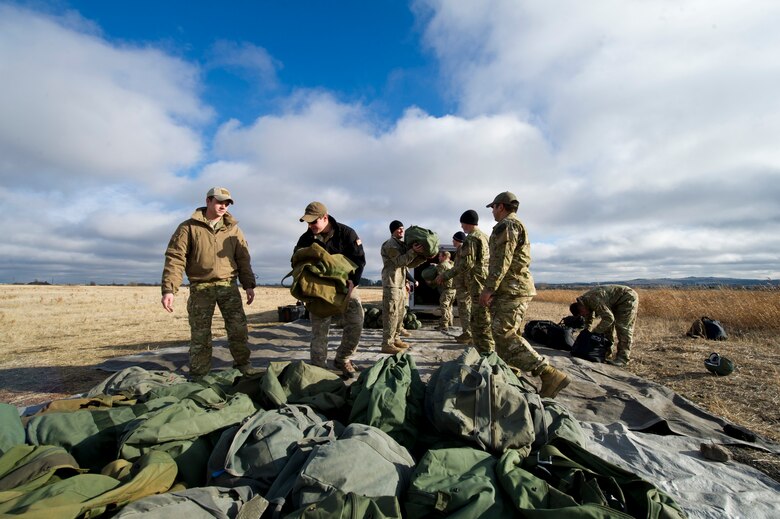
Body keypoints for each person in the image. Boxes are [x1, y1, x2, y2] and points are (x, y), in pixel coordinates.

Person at [479, 191, 570, 398]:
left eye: (493, 207)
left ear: (501, 206)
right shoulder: (514, 225)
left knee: (503, 333)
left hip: (512, 289)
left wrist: (489, 289)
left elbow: (502, 260)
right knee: (510, 333)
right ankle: (510, 373)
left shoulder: (507, 225)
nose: (492, 212)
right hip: (513, 288)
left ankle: (548, 373)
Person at [161, 187, 257, 380]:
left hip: (228, 286)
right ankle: (199, 375)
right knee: (200, 334)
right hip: (201, 287)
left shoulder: (233, 229)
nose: (224, 206)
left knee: (238, 330)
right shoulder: (188, 228)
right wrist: (169, 289)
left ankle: (243, 367)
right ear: (208, 201)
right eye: (220, 202)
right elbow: (176, 258)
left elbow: (243, 259)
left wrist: (248, 285)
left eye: (227, 203)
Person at [294, 202, 366, 378]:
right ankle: (319, 369)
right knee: (319, 330)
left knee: (356, 322)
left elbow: (359, 260)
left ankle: (343, 358)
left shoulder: (347, 234)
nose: (310, 226)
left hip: (345, 286)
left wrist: (353, 282)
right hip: (319, 290)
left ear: (325, 218)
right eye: (308, 222)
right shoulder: (306, 239)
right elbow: (296, 261)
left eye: (313, 222)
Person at [438, 210, 495, 353]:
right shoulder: (485, 237)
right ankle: (483, 344)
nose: (462, 227)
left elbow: (466, 264)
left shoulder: (472, 238)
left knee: (479, 316)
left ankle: (484, 349)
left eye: (462, 223)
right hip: (484, 280)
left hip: (475, 281)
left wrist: (445, 275)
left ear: (467, 223)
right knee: (484, 314)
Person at [380, 220, 426, 353]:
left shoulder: (401, 245)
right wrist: (412, 251)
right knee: (391, 314)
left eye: (402, 228)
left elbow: (408, 264)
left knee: (399, 314)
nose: (401, 230)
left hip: (400, 284)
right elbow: (399, 261)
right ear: (393, 230)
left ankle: (395, 339)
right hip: (391, 284)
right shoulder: (390, 245)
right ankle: (387, 343)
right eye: (398, 228)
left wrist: (422, 257)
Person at [570, 285, 639, 367]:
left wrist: (595, 333)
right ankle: (607, 353)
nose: (584, 315)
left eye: (582, 314)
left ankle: (622, 359)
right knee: (607, 328)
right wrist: (586, 334)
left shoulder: (592, 300)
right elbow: (588, 320)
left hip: (627, 297)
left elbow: (609, 318)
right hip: (615, 301)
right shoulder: (585, 304)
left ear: (581, 308)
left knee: (623, 327)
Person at [451, 231, 472, 342]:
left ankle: (468, 334)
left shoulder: (463, 250)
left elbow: (464, 268)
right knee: (464, 309)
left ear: (458, 240)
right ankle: (467, 333)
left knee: (465, 310)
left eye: (454, 240)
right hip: (462, 285)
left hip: (464, 286)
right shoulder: (460, 250)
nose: (452, 242)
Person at [434, 250, 456, 331]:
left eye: (440, 256)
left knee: (443, 306)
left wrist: (431, 282)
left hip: (447, 289)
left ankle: (444, 324)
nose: (438, 258)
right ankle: (450, 322)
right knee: (449, 306)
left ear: (444, 257)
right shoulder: (452, 264)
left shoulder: (442, 265)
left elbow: (440, 278)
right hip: (453, 289)